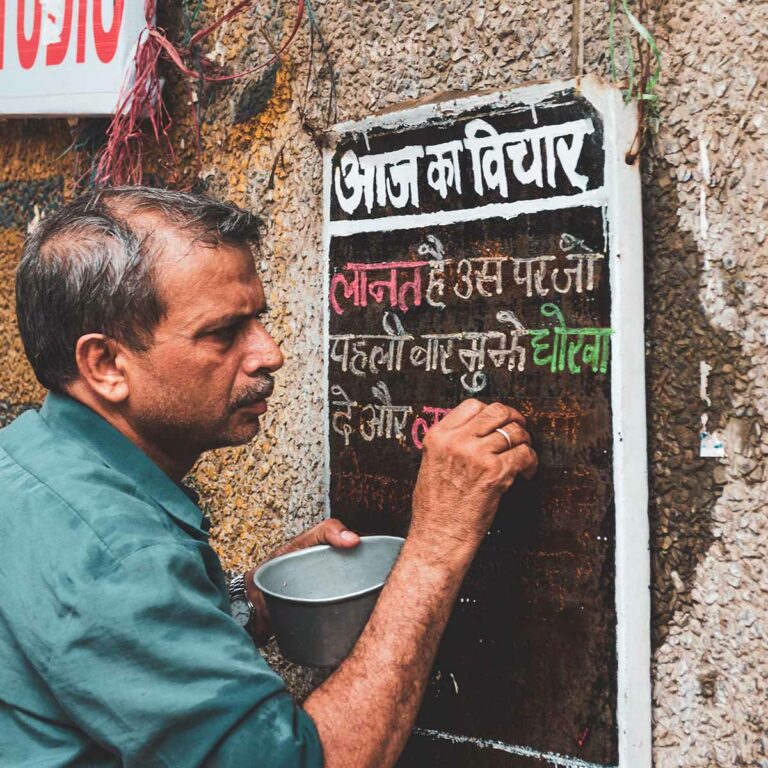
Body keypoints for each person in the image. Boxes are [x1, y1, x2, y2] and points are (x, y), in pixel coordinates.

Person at [0, 186, 537, 768]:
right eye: (223, 333)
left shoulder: (29, 459)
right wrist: (437, 545)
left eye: (259, 319)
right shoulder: (119, 561)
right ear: (105, 365)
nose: (270, 353)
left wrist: (246, 601)